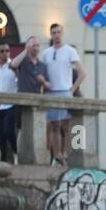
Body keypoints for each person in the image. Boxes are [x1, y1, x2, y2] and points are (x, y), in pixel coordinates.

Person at [40, 24, 84, 167]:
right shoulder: (46, 53)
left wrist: (72, 89)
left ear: (62, 33)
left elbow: (82, 73)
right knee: (54, 126)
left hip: (65, 91)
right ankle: (56, 155)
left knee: (66, 126)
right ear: (50, 34)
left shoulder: (70, 51)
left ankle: (66, 154)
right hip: (51, 92)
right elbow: (42, 72)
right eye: (54, 33)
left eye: (59, 32)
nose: (56, 35)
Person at [0, 41, 19, 163]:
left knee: (8, 130)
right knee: (0, 136)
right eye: (2, 51)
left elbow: (19, 80)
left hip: (10, 104)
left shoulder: (13, 65)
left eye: (8, 51)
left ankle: (16, 152)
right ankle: (3, 159)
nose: (5, 53)